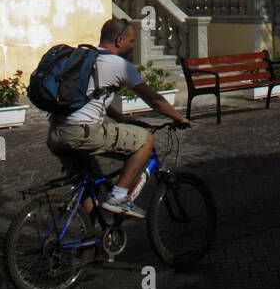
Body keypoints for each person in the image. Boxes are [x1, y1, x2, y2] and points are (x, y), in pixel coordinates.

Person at [46, 16, 189, 219]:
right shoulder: (118, 65)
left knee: (89, 183)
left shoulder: (87, 57)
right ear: (119, 40)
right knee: (145, 140)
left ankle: (91, 239)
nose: (132, 46)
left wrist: (119, 117)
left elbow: (91, 97)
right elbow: (154, 99)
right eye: (131, 41)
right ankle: (119, 197)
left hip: (57, 134)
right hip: (81, 132)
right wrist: (179, 118)